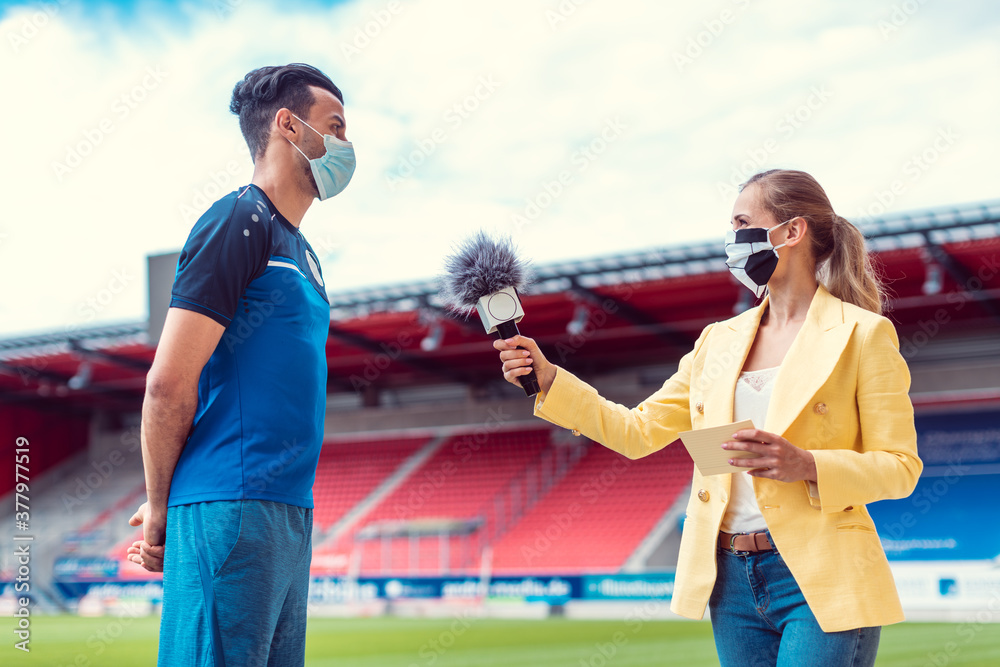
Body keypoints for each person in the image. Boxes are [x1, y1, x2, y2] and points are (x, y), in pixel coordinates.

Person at [495, 169, 922, 667]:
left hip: (822, 572)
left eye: (743, 221)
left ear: (791, 232)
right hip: (732, 580)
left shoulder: (864, 334)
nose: (732, 239)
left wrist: (807, 463)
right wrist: (549, 379)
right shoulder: (716, 342)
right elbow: (636, 433)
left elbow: (899, 466)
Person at [125, 63, 355, 666]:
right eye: (336, 127)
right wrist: (159, 507)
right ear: (288, 125)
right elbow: (168, 384)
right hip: (230, 504)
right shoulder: (238, 220)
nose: (347, 146)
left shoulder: (304, 252)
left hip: (289, 508)